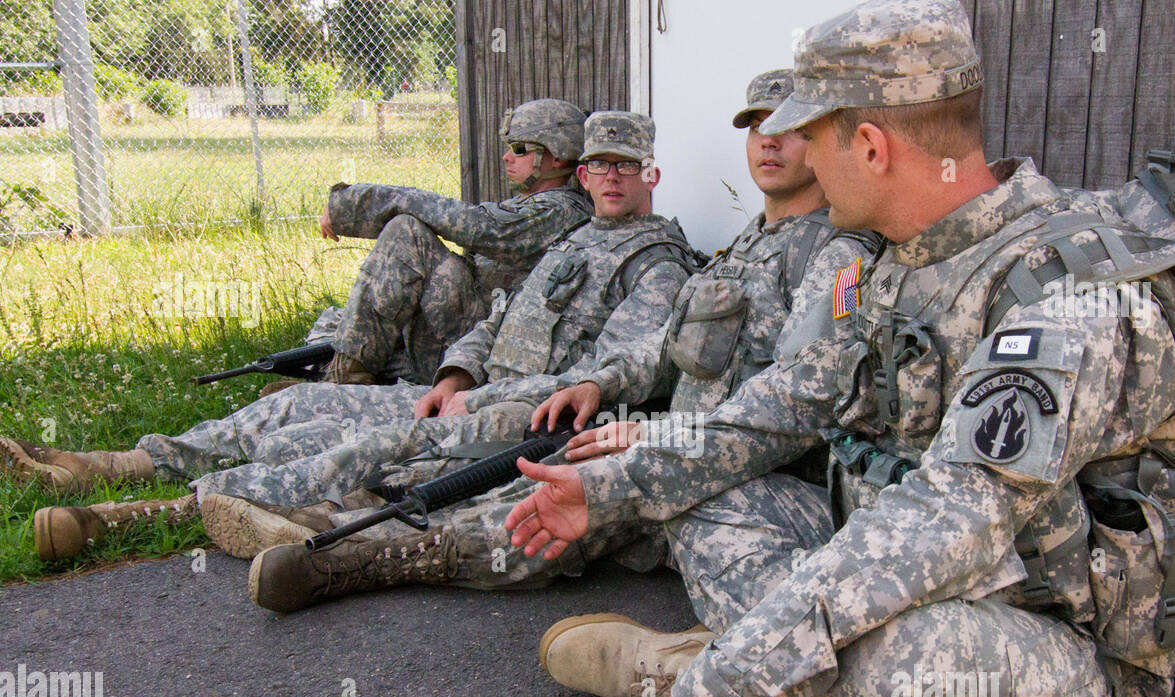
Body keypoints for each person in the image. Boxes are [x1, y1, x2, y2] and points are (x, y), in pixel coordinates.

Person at [495, 0, 1175, 697]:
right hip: (918, 566)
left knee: (882, 661)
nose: (798, 153)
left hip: (1063, 644)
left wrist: (717, 694)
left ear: (871, 146)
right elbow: (783, 408)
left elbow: (949, 521)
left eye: (813, 134)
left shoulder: (1064, 297)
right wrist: (616, 487)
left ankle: (705, 674)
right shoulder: (899, 259)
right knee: (703, 506)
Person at [235, 69, 882, 613]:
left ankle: (376, 558)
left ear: (827, 142)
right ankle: (345, 513)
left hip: (733, 459)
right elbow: (667, 344)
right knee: (538, 453)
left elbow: (796, 405)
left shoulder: (835, 255)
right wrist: (598, 384)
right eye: (755, 127)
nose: (769, 142)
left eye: (792, 129)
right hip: (681, 436)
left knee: (578, 483)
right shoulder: (749, 242)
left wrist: (659, 434)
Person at [3, 112, 696, 565]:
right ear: (582, 174)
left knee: (354, 449)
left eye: (627, 165)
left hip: (517, 415)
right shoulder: (573, 237)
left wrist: (483, 399)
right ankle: (117, 463)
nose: (612, 176)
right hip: (461, 394)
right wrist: (456, 378)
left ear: (651, 175)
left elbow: (616, 370)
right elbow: (498, 319)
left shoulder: (655, 261)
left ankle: (136, 514)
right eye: (600, 164)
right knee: (295, 408)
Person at [297, 98, 593, 389]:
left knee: (407, 233)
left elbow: (475, 226)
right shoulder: (531, 204)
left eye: (520, 149)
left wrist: (351, 205)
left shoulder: (562, 211)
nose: (507, 157)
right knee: (336, 324)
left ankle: (343, 379)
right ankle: (343, 370)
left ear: (559, 157)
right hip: (464, 337)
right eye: (509, 148)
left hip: (479, 352)